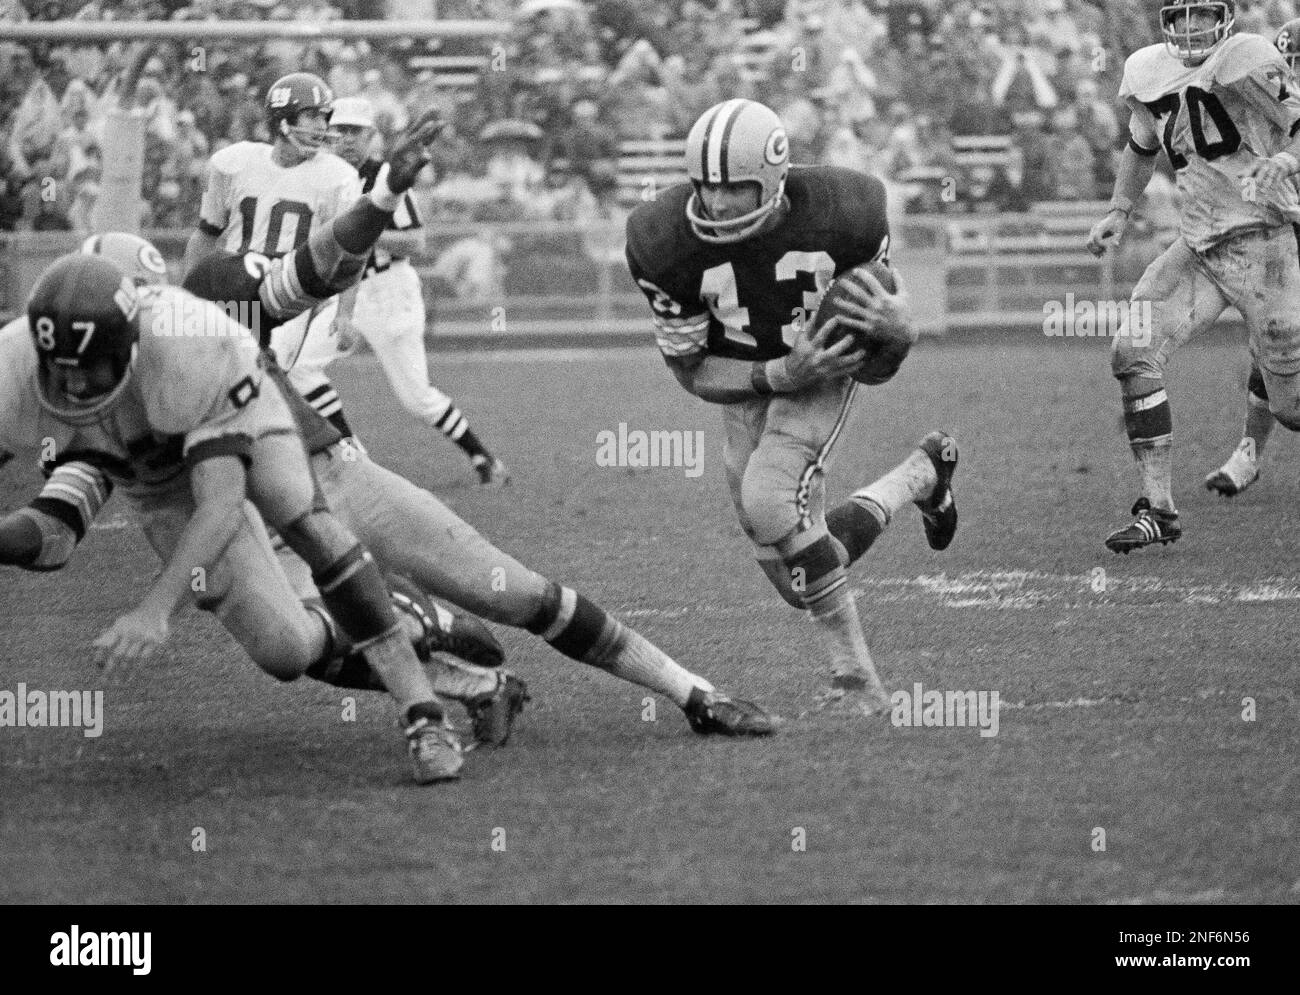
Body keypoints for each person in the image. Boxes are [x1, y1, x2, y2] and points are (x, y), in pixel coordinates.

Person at [0, 110, 465, 785]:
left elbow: (315, 270)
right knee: (283, 651)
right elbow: (54, 530)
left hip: (252, 428)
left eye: (90, 353)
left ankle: (422, 710)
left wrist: (157, 607)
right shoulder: (24, 371)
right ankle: (415, 631)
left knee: (303, 518)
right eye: (59, 358)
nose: (71, 379)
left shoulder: (190, 344)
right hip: (166, 481)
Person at [625, 98, 958, 715]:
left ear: (775, 181)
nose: (716, 203)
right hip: (749, 377)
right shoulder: (660, 238)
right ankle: (920, 475)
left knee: (768, 497)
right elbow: (691, 371)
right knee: (794, 580)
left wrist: (899, 332)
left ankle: (856, 678)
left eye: (735, 188)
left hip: (824, 367)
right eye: (705, 186)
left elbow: (878, 365)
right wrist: (776, 371)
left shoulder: (846, 211)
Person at [1087, 1, 1300, 551]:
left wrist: (1288, 161)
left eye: (1201, 14)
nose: (1191, 27)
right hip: (1199, 246)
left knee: (1292, 409)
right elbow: (1141, 147)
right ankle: (1159, 510)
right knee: (1131, 350)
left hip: (1264, 243)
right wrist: (1118, 210)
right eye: (1180, 16)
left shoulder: (1249, 56)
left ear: (1224, 16)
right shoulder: (1147, 70)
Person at [326, 96, 510, 486]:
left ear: (371, 136)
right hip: (338, 289)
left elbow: (415, 242)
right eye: (338, 130)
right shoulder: (321, 176)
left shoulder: (384, 176)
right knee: (298, 367)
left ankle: (483, 457)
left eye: (354, 132)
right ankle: (351, 461)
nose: (345, 140)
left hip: (386, 289)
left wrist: (361, 232)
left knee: (416, 398)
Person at [183, 71, 362, 440]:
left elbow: (351, 254)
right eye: (312, 115)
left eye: (323, 117)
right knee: (219, 383)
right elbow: (205, 235)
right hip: (233, 290)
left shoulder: (337, 177)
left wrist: (345, 313)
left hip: (287, 297)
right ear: (283, 120)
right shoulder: (235, 163)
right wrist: (186, 297)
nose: (321, 126)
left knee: (263, 377)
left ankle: (332, 453)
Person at [1204, 15, 1300, 497]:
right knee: (1269, 345)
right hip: (1288, 238)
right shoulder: (1271, 108)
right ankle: (1249, 453)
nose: (1294, 71)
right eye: (1290, 63)